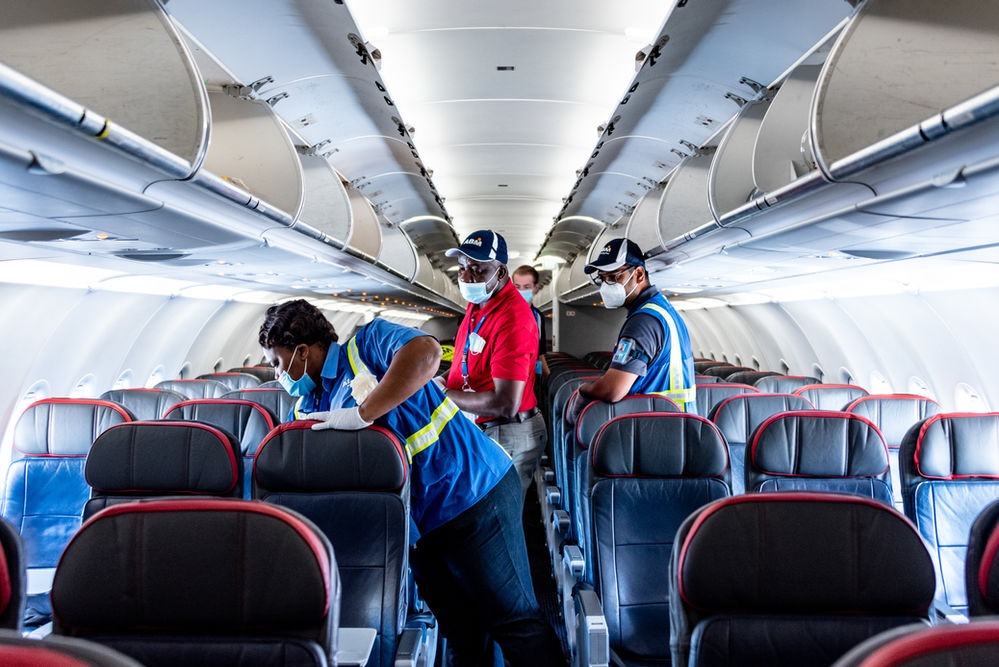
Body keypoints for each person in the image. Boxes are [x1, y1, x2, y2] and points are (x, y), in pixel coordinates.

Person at [258, 300, 563, 667]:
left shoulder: (368, 344)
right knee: (462, 632)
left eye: (278, 363)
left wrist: (363, 412)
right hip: (417, 526)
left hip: (472, 491)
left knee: (514, 621)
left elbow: (427, 352)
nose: (277, 376)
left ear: (302, 351)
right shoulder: (308, 405)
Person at [440, 231, 546, 498]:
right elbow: (467, 360)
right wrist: (443, 379)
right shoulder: (478, 305)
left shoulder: (514, 317)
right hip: (486, 428)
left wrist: (443, 395)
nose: (466, 278)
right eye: (462, 268)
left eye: (476, 269)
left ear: (500, 273)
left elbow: (505, 403)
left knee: (497, 522)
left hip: (506, 433)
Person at [574, 238, 697, 414]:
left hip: (653, 425)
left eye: (614, 277)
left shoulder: (642, 322)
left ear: (639, 274)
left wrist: (584, 389)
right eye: (602, 279)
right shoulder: (664, 310)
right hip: (678, 423)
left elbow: (613, 390)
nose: (607, 286)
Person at [511, 264, 550, 378]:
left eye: (526, 287)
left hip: (531, 375)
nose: (521, 291)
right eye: (517, 286)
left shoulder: (538, 317)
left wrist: (547, 374)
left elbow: (540, 351)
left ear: (536, 288)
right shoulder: (503, 314)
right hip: (508, 376)